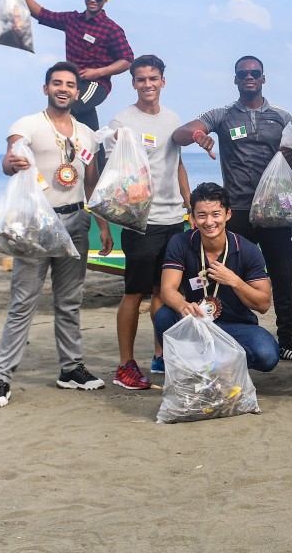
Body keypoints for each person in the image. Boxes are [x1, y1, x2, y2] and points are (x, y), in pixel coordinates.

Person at [0, 62, 114, 409]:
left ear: (76, 92)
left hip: (76, 222)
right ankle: (1, 377)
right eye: (57, 83)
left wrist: (102, 224)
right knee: (23, 303)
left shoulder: (86, 132)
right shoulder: (28, 124)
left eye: (70, 84)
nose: (64, 88)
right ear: (46, 89)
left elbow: (91, 181)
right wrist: (14, 162)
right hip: (35, 225)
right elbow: (10, 158)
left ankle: (70, 369)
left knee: (69, 302)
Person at [172, 56, 292, 365]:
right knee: (221, 277)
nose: (249, 77)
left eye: (255, 73)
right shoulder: (222, 115)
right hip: (237, 215)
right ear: (235, 79)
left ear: (263, 78)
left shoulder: (282, 116)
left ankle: (286, 340)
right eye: (243, 73)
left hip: (276, 213)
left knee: (283, 280)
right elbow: (179, 133)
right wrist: (197, 136)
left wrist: (288, 156)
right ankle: (221, 331)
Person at [105, 54, 191, 388]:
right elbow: (114, 174)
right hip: (140, 222)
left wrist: (189, 205)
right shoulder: (122, 122)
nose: (147, 85)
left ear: (163, 82)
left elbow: (178, 164)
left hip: (174, 219)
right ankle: (126, 365)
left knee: (163, 291)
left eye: (153, 78)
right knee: (134, 293)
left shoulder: (173, 119)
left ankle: (160, 355)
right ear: (133, 84)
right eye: (141, 79)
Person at [154, 182, 279, 372]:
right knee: (164, 315)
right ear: (193, 217)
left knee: (267, 354)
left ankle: (210, 365)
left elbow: (263, 304)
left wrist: (234, 281)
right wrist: (184, 306)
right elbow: (167, 290)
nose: (209, 222)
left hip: (236, 324)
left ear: (228, 214)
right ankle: (208, 365)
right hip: (196, 322)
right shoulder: (181, 242)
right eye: (202, 215)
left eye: (216, 214)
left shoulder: (247, 249)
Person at [8, 0, 134, 132]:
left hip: (96, 84)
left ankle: (42, 133)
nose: (93, 0)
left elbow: (127, 60)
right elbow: (41, 14)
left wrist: (98, 72)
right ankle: (97, 154)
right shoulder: (72, 20)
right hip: (73, 82)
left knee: (69, 106)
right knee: (88, 128)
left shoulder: (111, 29)